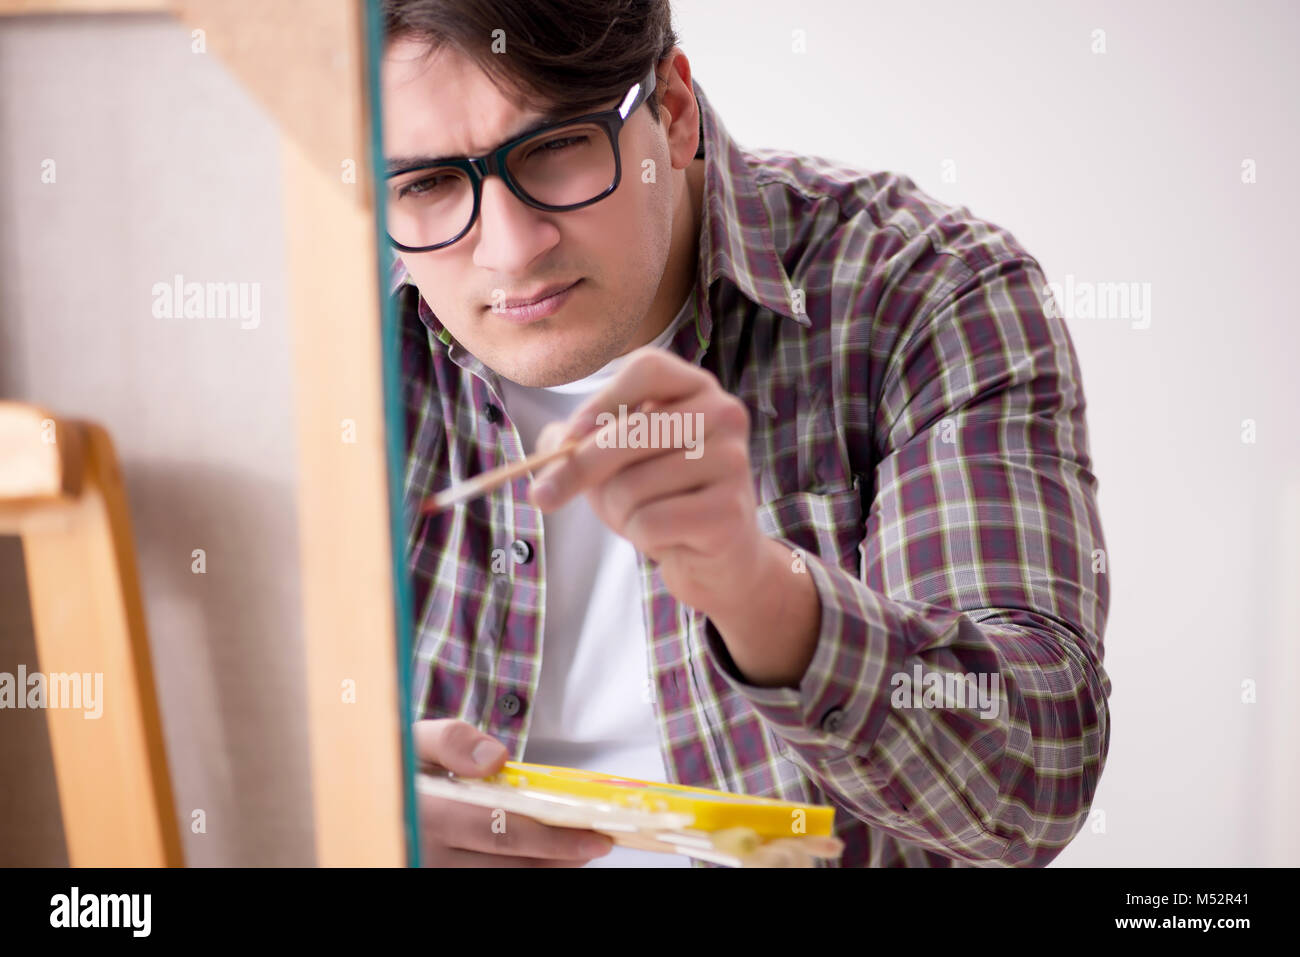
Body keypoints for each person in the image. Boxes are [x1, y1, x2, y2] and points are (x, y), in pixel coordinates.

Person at [383, 0, 1111, 867]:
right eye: (426, 184)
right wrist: (339, 820)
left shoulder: (926, 291)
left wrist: (761, 592)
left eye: (556, 148)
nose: (509, 250)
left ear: (674, 110)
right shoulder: (314, 335)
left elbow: (1036, 778)